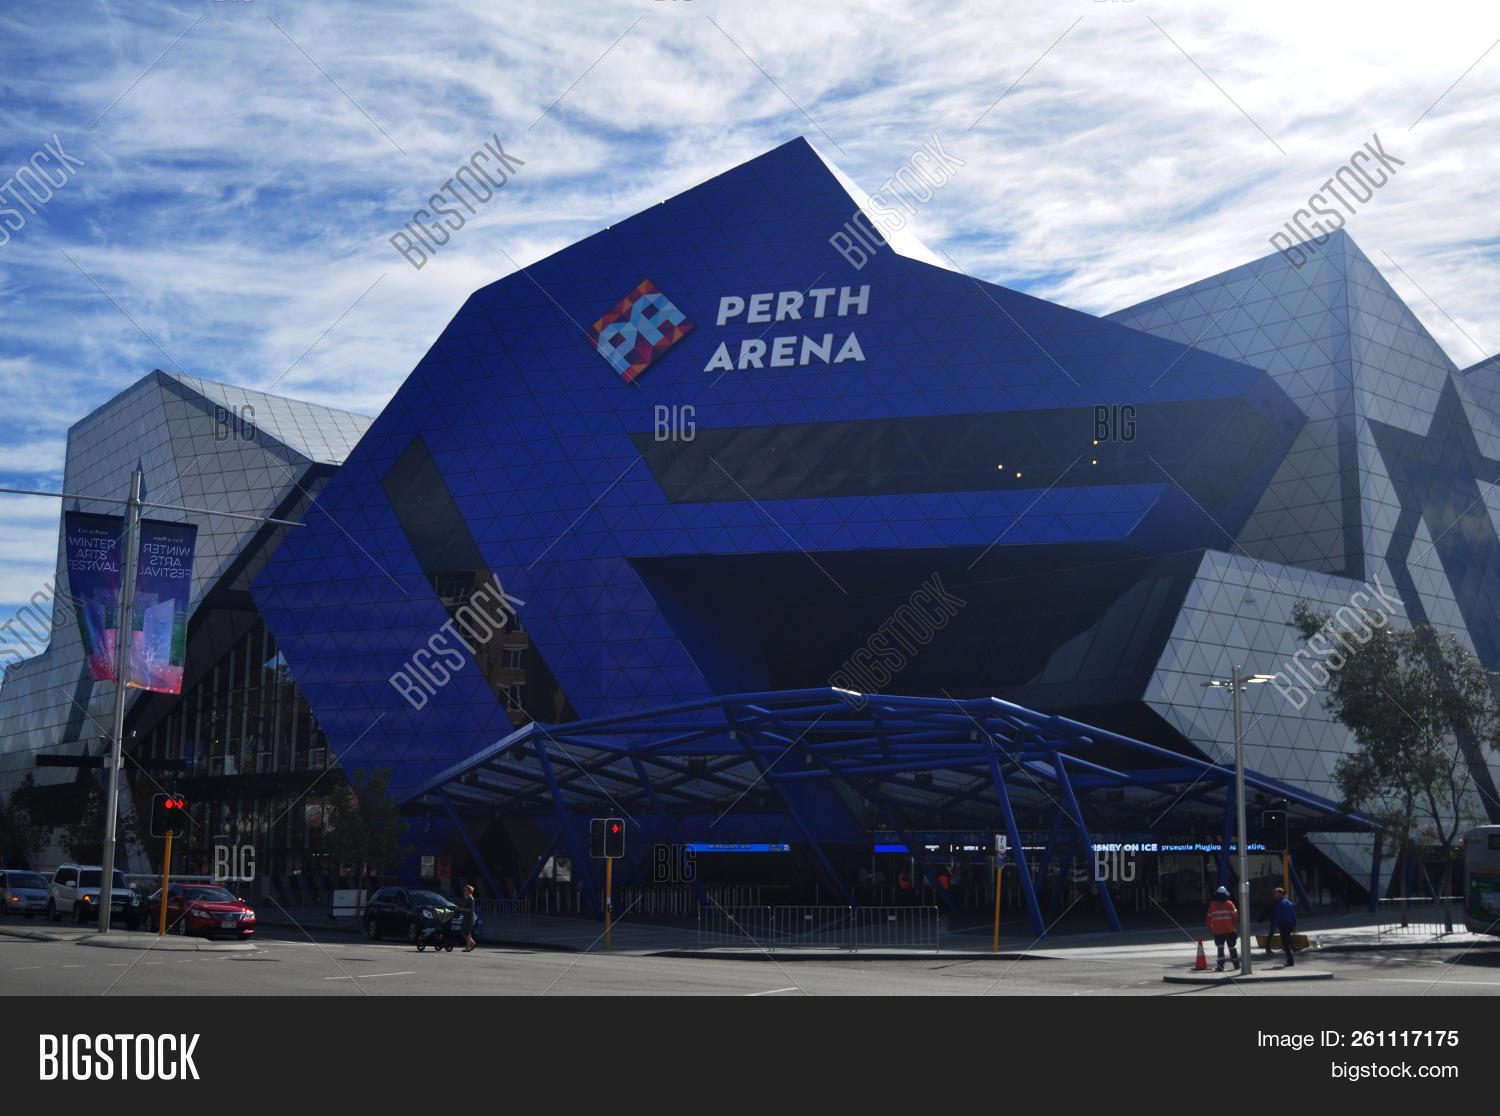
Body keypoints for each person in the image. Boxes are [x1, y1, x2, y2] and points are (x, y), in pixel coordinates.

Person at [1206, 885, 1239, 971]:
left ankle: (1220, 967)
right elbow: (1235, 916)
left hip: (1217, 931)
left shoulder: (1212, 905)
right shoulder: (1230, 904)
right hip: (1229, 930)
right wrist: (1233, 925)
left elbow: (1208, 918)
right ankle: (1236, 965)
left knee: (1220, 949)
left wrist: (1210, 928)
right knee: (1232, 948)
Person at [1268, 886, 1297, 966]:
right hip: (1290, 923)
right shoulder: (1288, 902)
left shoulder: (1279, 903)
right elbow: (1294, 914)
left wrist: (1275, 925)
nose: (1274, 895)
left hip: (1283, 924)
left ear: (1280, 894)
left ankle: (1290, 961)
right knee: (1287, 940)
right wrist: (1294, 925)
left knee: (1285, 943)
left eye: (1276, 894)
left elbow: (1279, 915)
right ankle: (1290, 959)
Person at [456, 883, 477, 952]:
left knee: (468, 933)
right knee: (463, 931)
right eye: (464, 890)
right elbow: (463, 906)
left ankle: (468, 947)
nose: (464, 892)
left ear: (469, 891)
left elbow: (470, 910)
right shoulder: (464, 898)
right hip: (465, 916)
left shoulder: (471, 899)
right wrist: (458, 908)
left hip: (470, 917)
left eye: (465, 890)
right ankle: (473, 943)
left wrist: (460, 909)